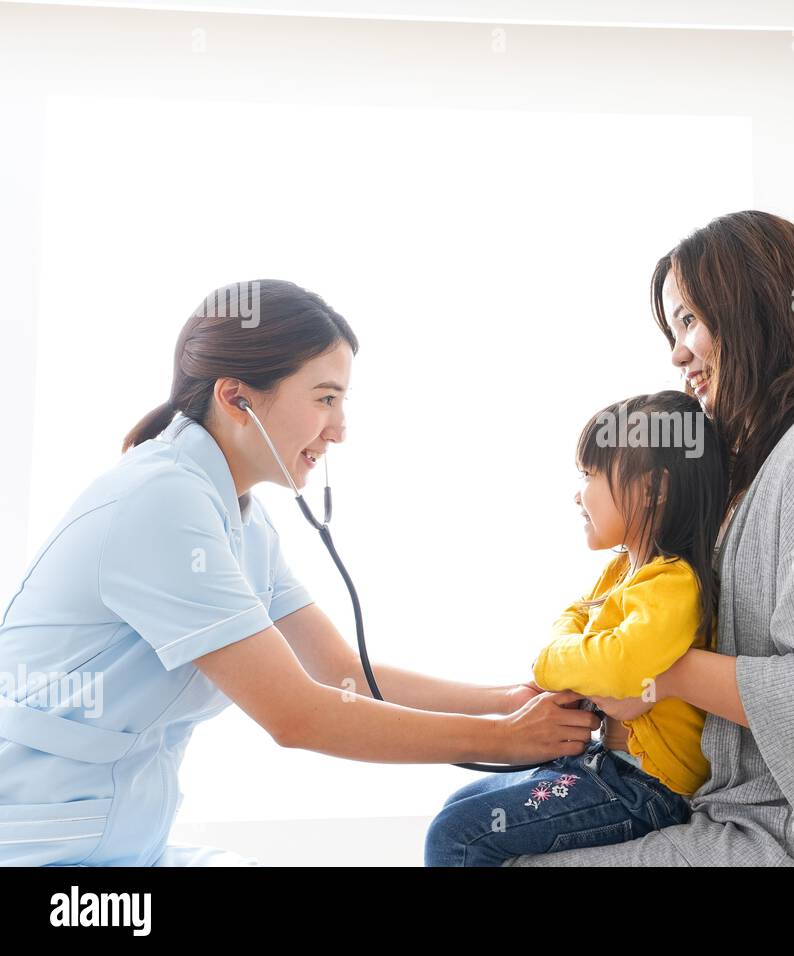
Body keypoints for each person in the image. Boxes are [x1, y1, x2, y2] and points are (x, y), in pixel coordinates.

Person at [0, 279, 597, 867]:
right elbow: (297, 715)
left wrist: (507, 701)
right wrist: (506, 740)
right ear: (238, 398)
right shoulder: (161, 503)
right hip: (39, 848)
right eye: (324, 398)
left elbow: (342, 675)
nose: (340, 428)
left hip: (122, 845)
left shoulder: (239, 518)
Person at [499, 210, 794, 866]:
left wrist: (659, 671)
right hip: (746, 819)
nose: (677, 351)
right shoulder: (758, 467)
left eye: (689, 320)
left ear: (758, 311)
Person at [424, 389, 728, 865]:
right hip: (603, 766)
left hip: (647, 790)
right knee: (458, 806)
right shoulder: (621, 572)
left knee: (457, 835)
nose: (578, 493)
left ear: (653, 489)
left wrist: (552, 663)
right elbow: (572, 621)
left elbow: (621, 664)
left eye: (589, 475)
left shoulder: (674, 582)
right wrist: (573, 653)